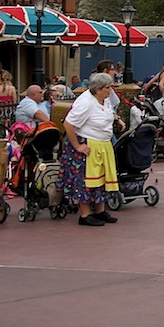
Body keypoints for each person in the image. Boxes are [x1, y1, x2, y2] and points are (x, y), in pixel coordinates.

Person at [57, 72, 120, 226]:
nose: (110, 90)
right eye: (108, 87)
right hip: (88, 144)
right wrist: (77, 146)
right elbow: (68, 124)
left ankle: (100, 210)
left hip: (103, 144)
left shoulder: (104, 100)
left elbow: (108, 113)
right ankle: (85, 215)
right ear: (97, 89)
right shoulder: (85, 102)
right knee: (85, 181)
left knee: (101, 179)